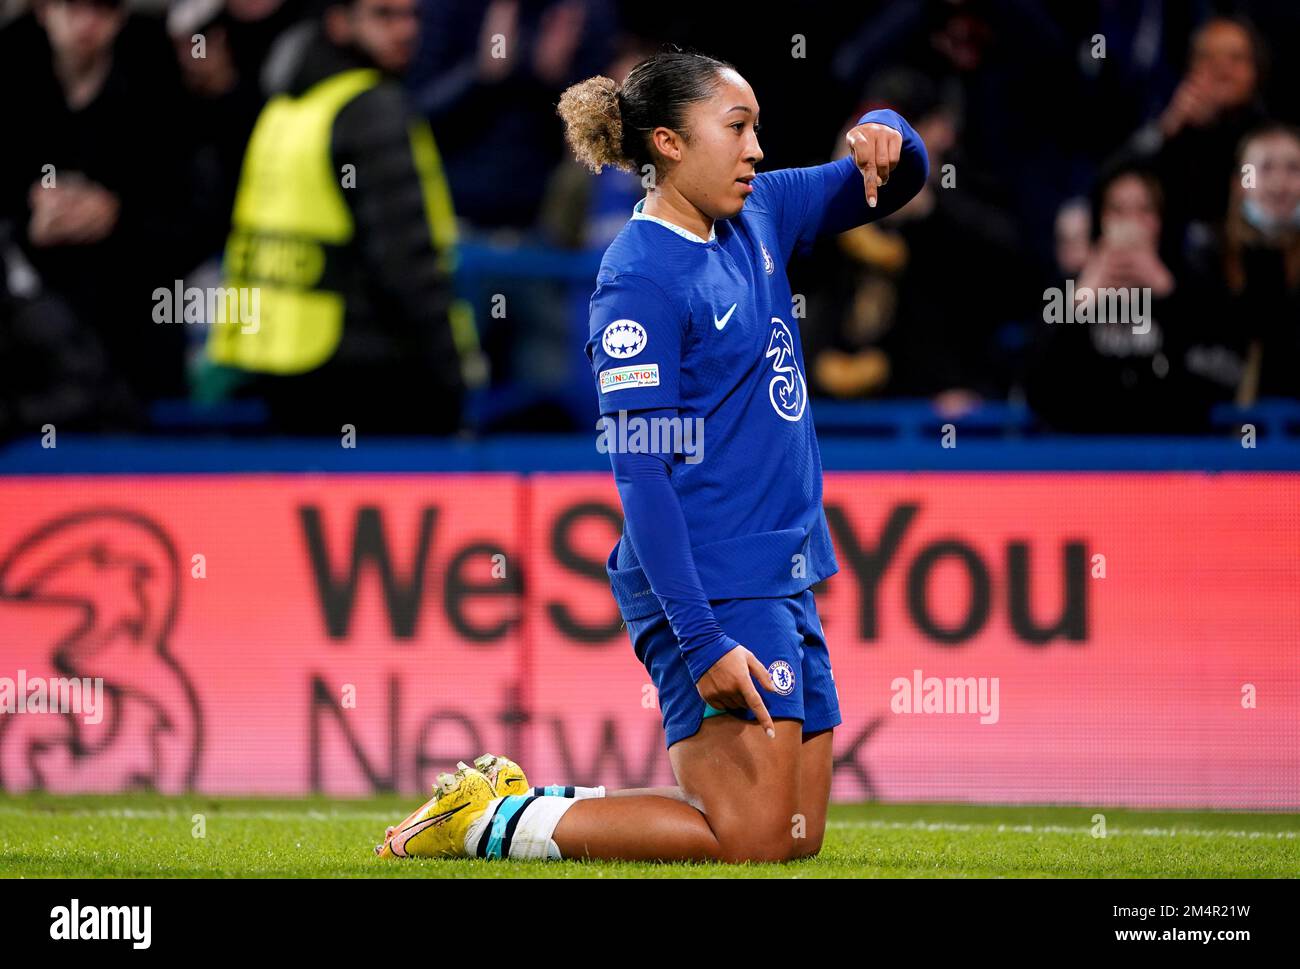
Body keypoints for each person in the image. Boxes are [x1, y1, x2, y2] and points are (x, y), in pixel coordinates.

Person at [375, 50, 927, 863]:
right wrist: (700, 638)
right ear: (668, 142)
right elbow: (641, 470)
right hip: (712, 572)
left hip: (783, 565)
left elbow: (893, 179)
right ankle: (487, 825)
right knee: (747, 836)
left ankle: (514, 799)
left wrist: (889, 130)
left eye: (758, 130)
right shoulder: (636, 279)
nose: (757, 151)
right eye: (737, 129)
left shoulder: (762, 212)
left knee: (794, 835)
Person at [203, 0, 470, 434]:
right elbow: (406, 262)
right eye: (384, 15)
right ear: (339, 23)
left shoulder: (286, 106)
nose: (405, 31)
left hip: (281, 361)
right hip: (370, 373)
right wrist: (451, 375)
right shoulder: (373, 109)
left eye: (412, 16)